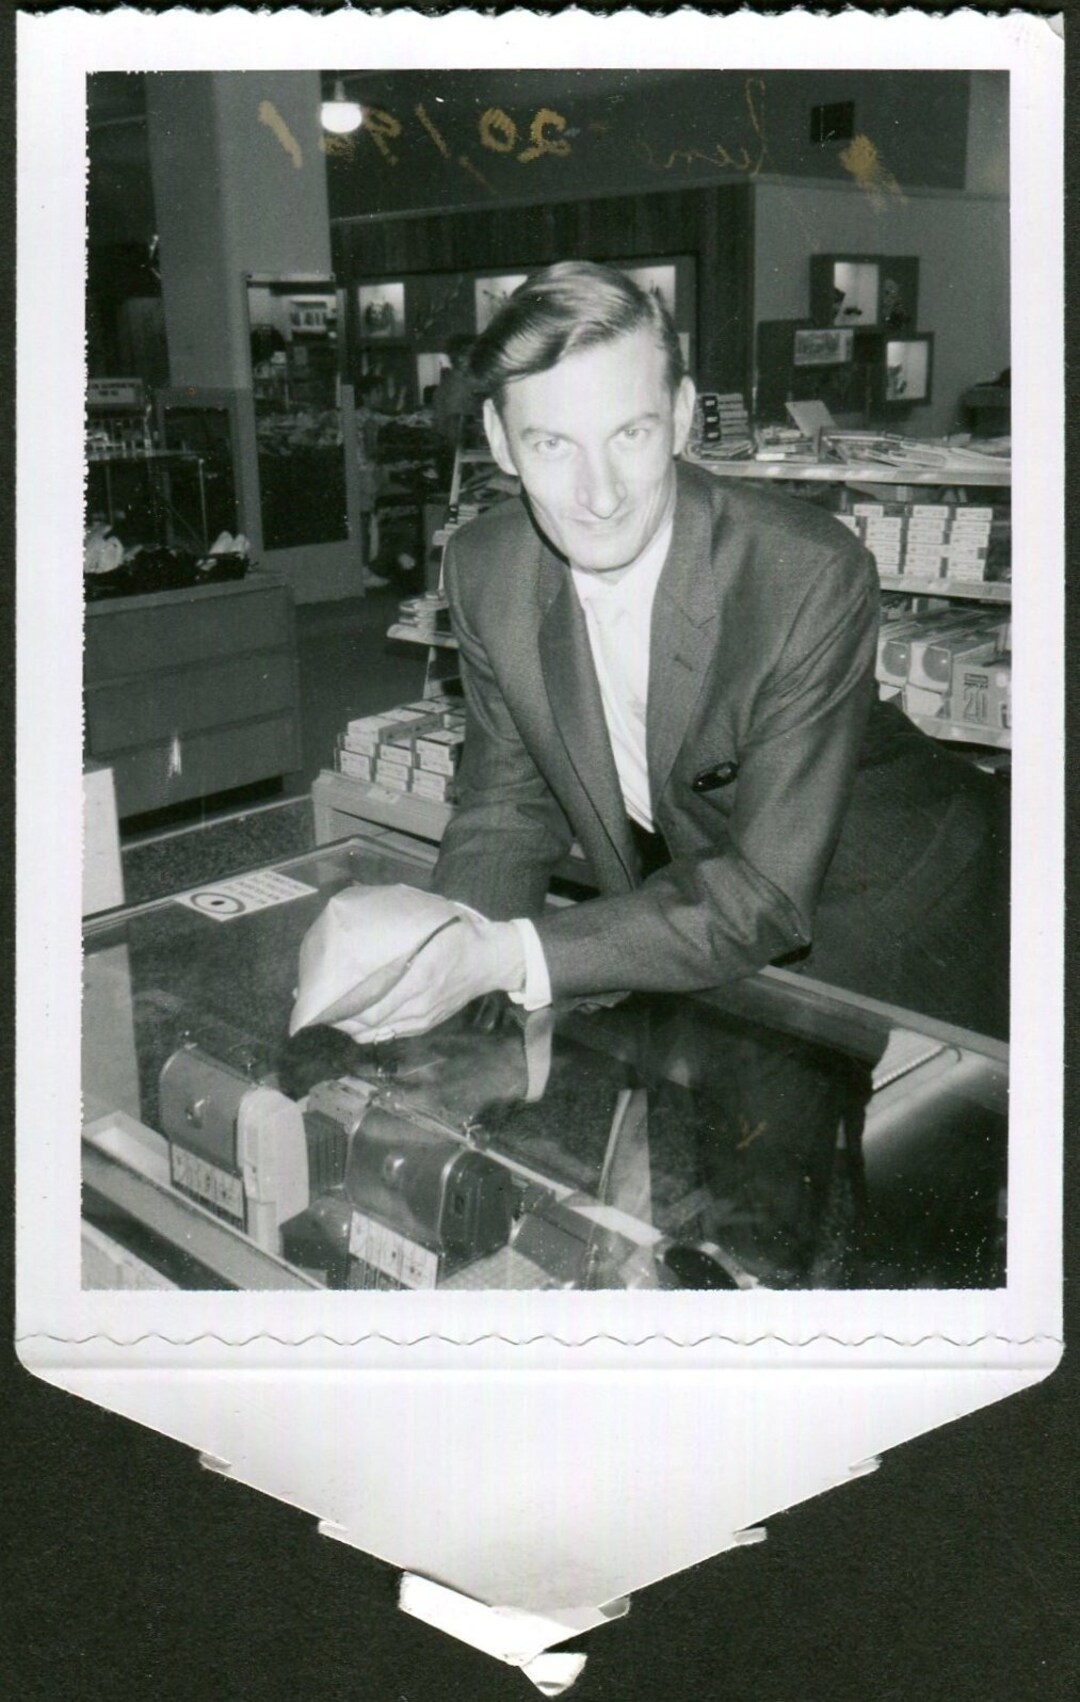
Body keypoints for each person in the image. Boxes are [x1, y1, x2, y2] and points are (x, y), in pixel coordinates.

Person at [343, 261, 1008, 1048]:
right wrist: (445, 953)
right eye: (553, 444)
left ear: (684, 416)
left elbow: (764, 891)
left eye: (631, 434)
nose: (600, 495)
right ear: (500, 441)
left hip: (898, 902)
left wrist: (505, 957)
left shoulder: (804, 571)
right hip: (697, 910)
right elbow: (504, 810)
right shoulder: (485, 567)